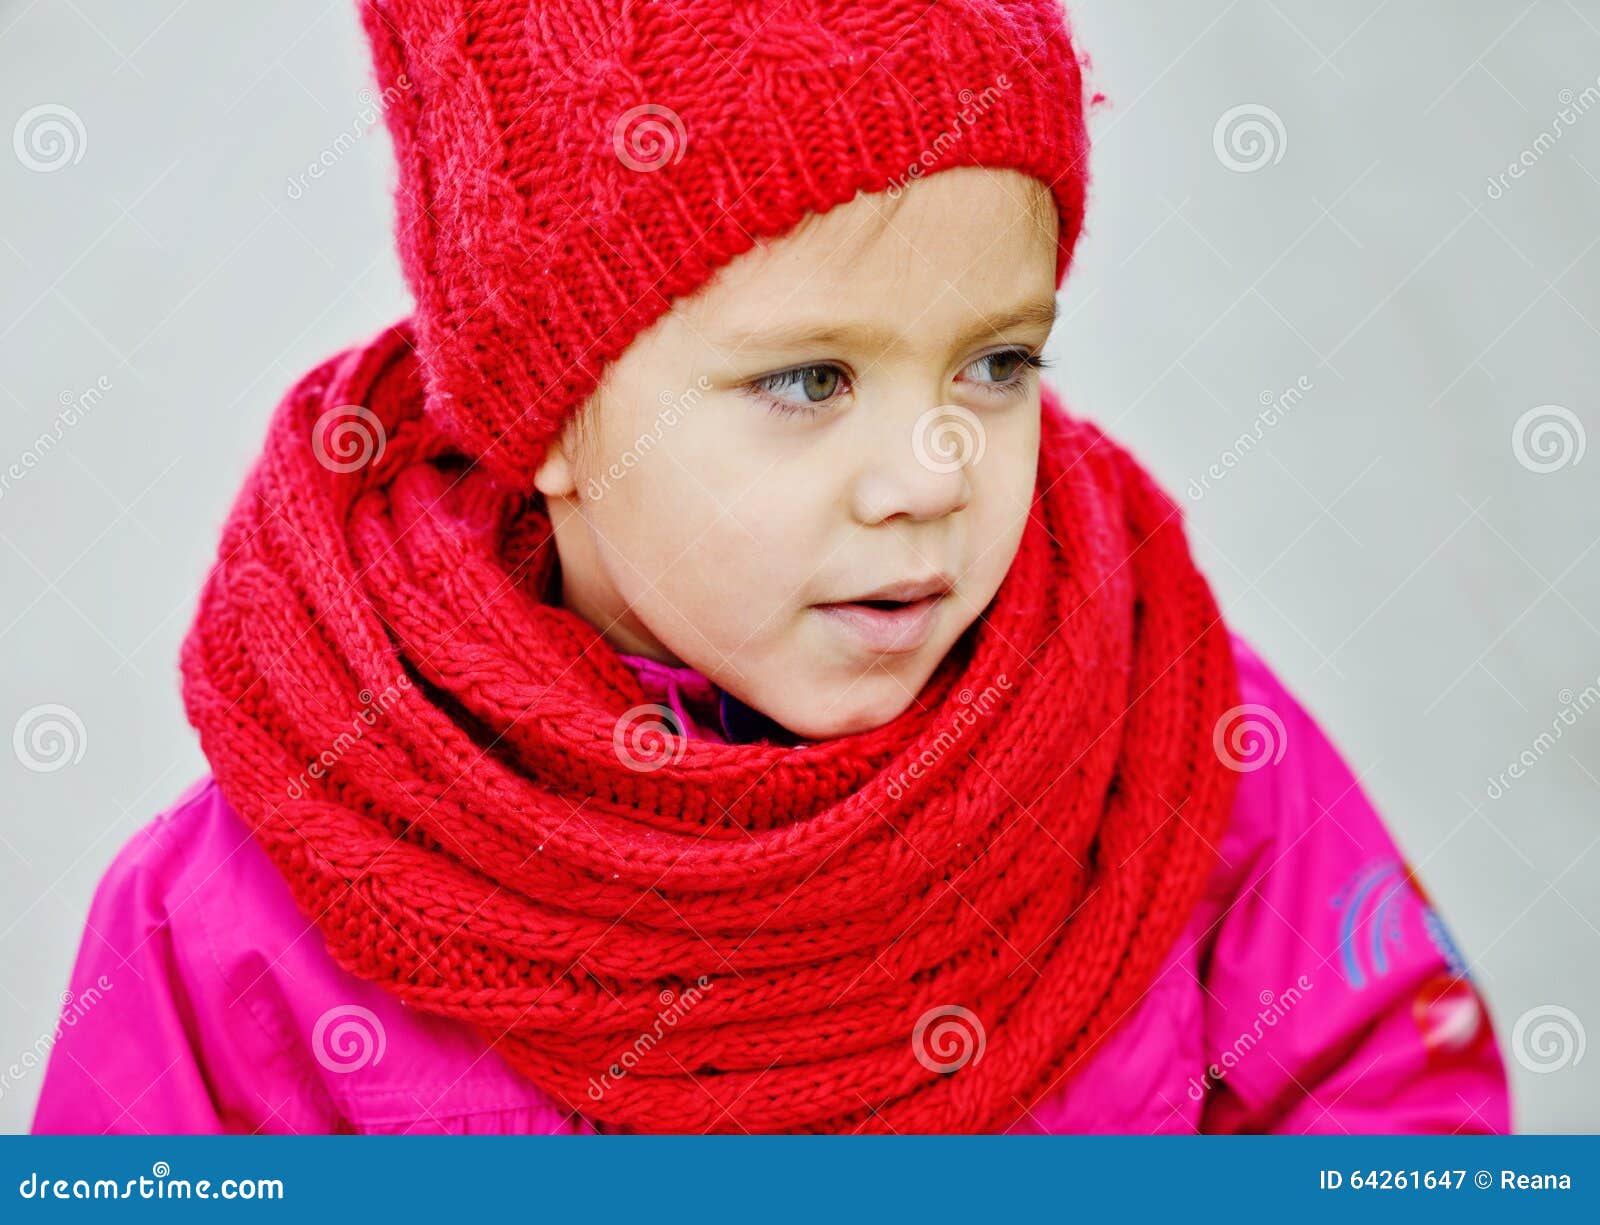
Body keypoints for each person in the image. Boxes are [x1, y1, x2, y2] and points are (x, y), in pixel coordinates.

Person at [32, 0, 1509, 1134]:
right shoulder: (247, 919)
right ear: (550, 416)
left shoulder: (1170, 737)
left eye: (997, 363)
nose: (932, 473)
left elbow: (1393, 1102)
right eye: (809, 381)